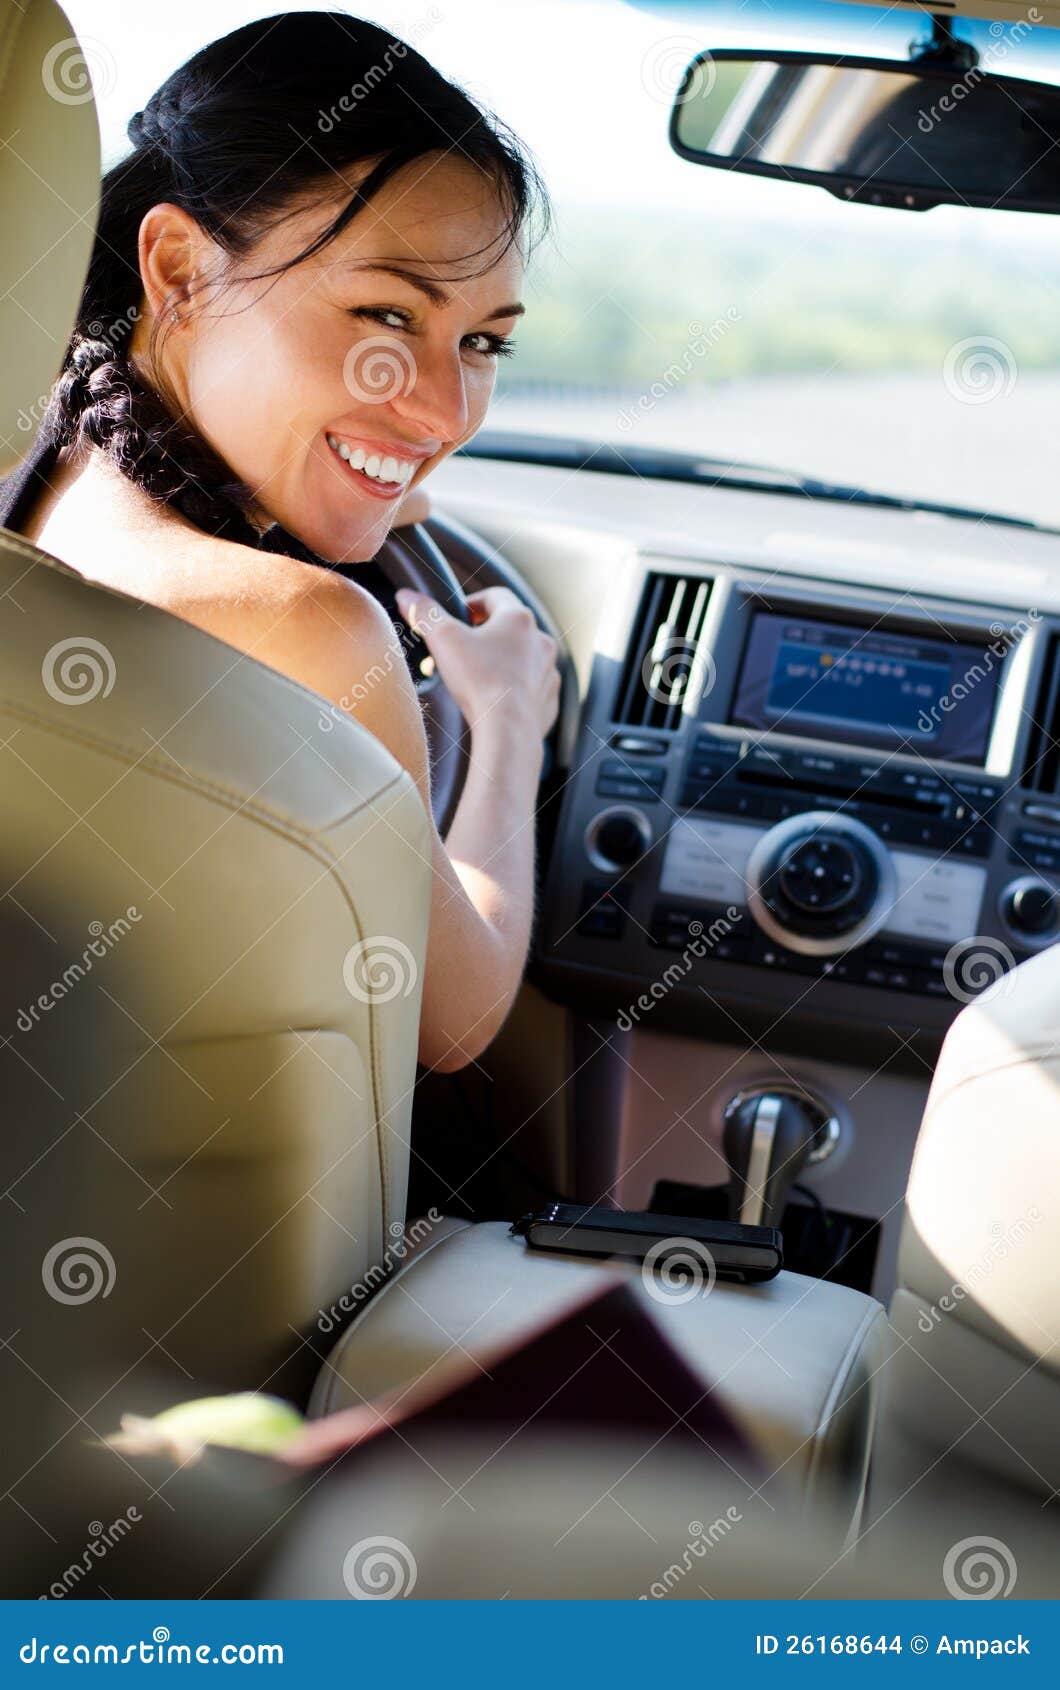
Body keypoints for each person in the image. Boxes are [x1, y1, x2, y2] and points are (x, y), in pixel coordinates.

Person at [6, 12, 559, 1072]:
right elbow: (453, 1016)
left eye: (483, 343)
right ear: (177, 270)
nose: (443, 410)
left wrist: (341, 471)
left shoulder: (35, 472)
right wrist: (506, 720)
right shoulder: (309, 630)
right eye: (387, 317)